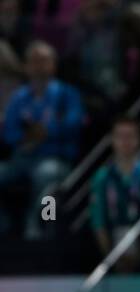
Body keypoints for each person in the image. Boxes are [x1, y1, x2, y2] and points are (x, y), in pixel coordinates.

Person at [0, 41, 82, 239]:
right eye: (33, 62)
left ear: (53, 65)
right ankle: (2, 223)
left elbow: (74, 124)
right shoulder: (19, 97)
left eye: (44, 61)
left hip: (55, 157)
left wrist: (46, 131)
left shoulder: (66, 94)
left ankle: (43, 224)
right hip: (23, 158)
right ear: (26, 66)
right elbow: (9, 132)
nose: (38, 67)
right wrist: (26, 136)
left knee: (47, 176)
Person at [88, 114, 140, 270]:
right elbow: (98, 222)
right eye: (120, 136)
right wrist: (111, 258)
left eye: (130, 136)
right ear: (112, 140)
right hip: (111, 255)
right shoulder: (102, 177)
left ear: (139, 139)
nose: (125, 142)